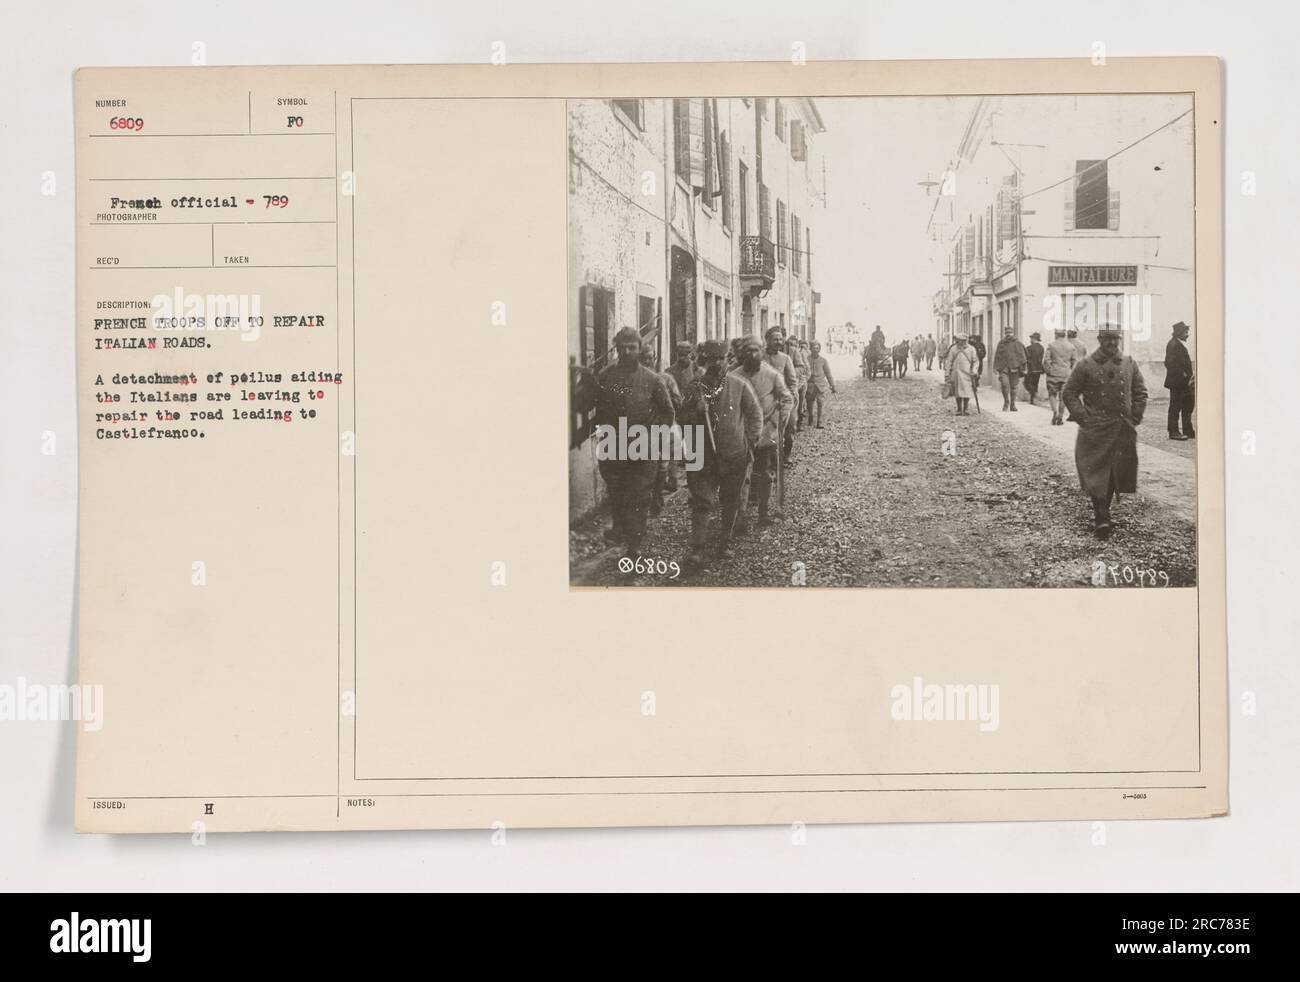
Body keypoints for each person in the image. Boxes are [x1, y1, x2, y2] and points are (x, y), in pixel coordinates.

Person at [678, 339, 762, 568]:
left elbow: (755, 416)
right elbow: (681, 419)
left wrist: (749, 444)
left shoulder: (740, 385)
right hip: (701, 454)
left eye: (721, 359)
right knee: (701, 501)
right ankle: (697, 549)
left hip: (733, 453)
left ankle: (725, 542)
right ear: (705, 361)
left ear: (728, 360)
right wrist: (694, 411)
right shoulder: (694, 387)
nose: (717, 363)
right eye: (711, 359)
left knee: (730, 500)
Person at [593, 327, 674, 559]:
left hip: (643, 450)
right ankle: (622, 531)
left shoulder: (652, 380)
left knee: (639, 497)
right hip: (613, 449)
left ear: (639, 348)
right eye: (623, 347)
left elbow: (668, 413)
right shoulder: (606, 377)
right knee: (618, 495)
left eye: (632, 347)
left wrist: (656, 439)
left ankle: (634, 547)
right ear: (616, 348)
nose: (627, 351)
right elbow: (598, 409)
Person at [1062, 327, 1148, 539]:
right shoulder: (1085, 365)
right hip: (1095, 429)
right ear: (1099, 339)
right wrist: (1082, 416)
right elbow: (1069, 392)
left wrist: (1135, 415)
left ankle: (1104, 512)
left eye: (1115, 339)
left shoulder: (1129, 363)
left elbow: (1140, 392)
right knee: (1096, 473)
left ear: (1119, 339)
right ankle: (1101, 515)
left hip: (1121, 428)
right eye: (1107, 339)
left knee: (1115, 472)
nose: (1111, 343)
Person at [734, 335, 793, 527]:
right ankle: (739, 516)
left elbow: (786, 399)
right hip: (740, 432)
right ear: (743, 353)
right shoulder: (733, 374)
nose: (752, 354)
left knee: (765, 474)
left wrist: (777, 423)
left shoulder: (772, 374)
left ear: (762, 351)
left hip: (765, 433)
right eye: (748, 350)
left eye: (756, 350)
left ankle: (763, 513)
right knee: (741, 476)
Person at [640, 346, 682, 514]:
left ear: (655, 359)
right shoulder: (635, 380)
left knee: (662, 461)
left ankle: (657, 497)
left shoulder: (665, 378)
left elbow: (678, 401)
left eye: (649, 358)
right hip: (642, 427)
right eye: (643, 358)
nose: (646, 362)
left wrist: (667, 399)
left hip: (663, 423)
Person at [765, 328, 799, 465]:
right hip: (766, 401)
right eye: (775, 339)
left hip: (784, 401)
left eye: (780, 339)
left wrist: (792, 395)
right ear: (767, 340)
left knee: (790, 427)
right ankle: (770, 459)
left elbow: (792, 381)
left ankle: (787, 453)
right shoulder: (759, 356)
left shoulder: (785, 359)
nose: (778, 342)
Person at [1164, 321, 1195, 440]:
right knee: (1175, 407)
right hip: (1178, 383)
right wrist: (1183, 375)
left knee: (1187, 406)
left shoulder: (1179, 343)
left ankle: (1188, 430)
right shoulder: (1173, 344)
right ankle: (1173, 432)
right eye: (1185, 331)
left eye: (1187, 331)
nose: (1187, 334)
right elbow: (1169, 363)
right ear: (1179, 333)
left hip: (1184, 382)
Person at [1043, 328, 1077, 425]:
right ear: (1064, 335)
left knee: (1052, 394)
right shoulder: (1071, 347)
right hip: (1066, 375)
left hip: (1053, 374)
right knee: (1063, 397)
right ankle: (1060, 417)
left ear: (1056, 334)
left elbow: (1046, 360)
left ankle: (1055, 411)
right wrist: (1070, 372)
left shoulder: (1051, 345)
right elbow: (1074, 362)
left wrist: (1048, 370)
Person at [992, 327, 1028, 411]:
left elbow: (1023, 356)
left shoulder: (1018, 343)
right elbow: (997, 355)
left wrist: (1023, 368)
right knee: (1004, 385)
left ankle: (1013, 405)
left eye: (1010, 333)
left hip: (1015, 368)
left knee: (1014, 387)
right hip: (1003, 368)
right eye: (1007, 333)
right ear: (1005, 334)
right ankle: (1006, 403)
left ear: (1012, 333)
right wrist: (995, 367)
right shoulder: (1001, 343)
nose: (1008, 334)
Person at [944, 334, 979, 415]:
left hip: (967, 373)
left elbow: (976, 361)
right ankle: (959, 409)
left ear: (965, 341)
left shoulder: (971, 349)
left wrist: (974, 370)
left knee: (967, 391)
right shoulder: (953, 349)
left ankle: (966, 408)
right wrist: (947, 373)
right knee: (957, 391)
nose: (958, 342)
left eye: (960, 340)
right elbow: (949, 361)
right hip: (956, 373)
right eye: (957, 340)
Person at [805, 340, 837, 428]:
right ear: (810, 349)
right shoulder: (806, 360)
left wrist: (832, 385)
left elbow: (828, 374)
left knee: (820, 403)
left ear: (819, 349)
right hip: (810, 386)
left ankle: (820, 421)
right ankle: (810, 416)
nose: (815, 350)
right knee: (809, 404)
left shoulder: (823, 361)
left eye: (817, 348)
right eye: (813, 348)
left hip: (820, 386)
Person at [1023, 332, 1045, 406]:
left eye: (1031, 338)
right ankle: (1033, 399)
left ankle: (1034, 395)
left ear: (1033, 339)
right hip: (1038, 369)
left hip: (1030, 369)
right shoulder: (1042, 348)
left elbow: (1026, 358)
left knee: (1027, 383)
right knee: (1035, 384)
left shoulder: (1029, 348)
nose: (1030, 340)